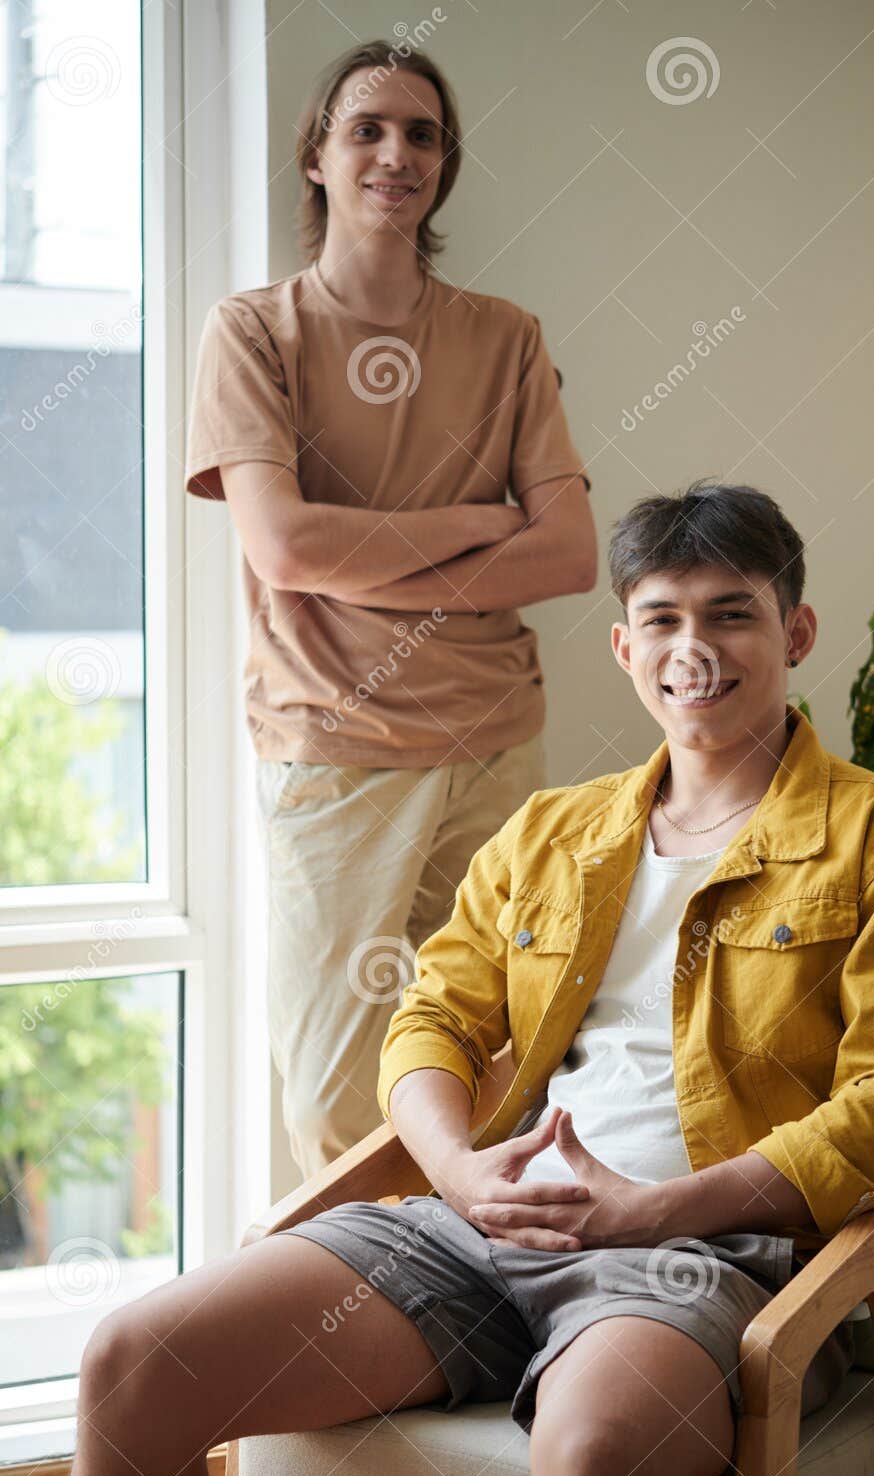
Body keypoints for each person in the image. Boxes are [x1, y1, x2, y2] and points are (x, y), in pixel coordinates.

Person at [61, 481, 874, 1476]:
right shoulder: (551, 833)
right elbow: (431, 1020)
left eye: (728, 612)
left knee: (593, 1453)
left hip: (691, 1258)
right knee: (135, 1360)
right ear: (622, 644)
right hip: (472, 1231)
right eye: (661, 617)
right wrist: (455, 1169)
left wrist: (654, 1209)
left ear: (793, 631)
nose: (691, 646)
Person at [184, 40, 595, 1177]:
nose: (394, 153)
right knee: (331, 1093)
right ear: (315, 157)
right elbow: (282, 543)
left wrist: (360, 558)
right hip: (337, 747)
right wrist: (475, 521)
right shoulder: (253, 331)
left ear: (442, 166)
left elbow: (568, 554)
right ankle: (353, 1338)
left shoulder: (504, 337)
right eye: (365, 129)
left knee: (492, 1067)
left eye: (420, 133)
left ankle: (454, 1329)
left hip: (492, 741)